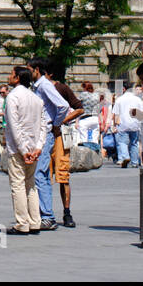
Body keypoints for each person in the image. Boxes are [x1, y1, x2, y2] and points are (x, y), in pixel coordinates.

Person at [29, 59, 70, 231]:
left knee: (41, 173)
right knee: (42, 173)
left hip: (46, 134)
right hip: (42, 133)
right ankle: (44, 213)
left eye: (29, 69)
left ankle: (47, 216)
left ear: (37, 70)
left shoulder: (44, 85)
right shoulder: (38, 86)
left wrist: (55, 124)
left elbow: (63, 105)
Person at [3, 66, 43, 235]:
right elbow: (43, 126)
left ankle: (22, 223)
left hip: (18, 149)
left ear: (17, 78)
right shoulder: (36, 98)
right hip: (33, 148)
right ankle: (35, 221)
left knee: (18, 184)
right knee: (31, 184)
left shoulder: (13, 97)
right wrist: (38, 147)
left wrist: (22, 148)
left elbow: (14, 125)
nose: (9, 77)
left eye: (11, 74)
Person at [51, 77, 84, 227]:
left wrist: (63, 121)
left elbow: (80, 108)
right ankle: (43, 212)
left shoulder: (62, 88)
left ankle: (67, 212)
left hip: (60, 136)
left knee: (63, 174)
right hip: (44, 136)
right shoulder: (37, 89)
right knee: (42, 175)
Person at [113, 81, 143, 167]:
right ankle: (135, 162)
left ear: (124, 89)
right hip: (135, 124)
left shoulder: (119, 99)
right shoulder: (137, 99)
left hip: (123, 124)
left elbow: (116, 114)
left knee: (122, 142)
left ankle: (125, 156)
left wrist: (114, 125)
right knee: (134, 143)